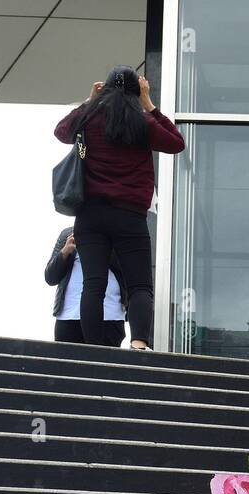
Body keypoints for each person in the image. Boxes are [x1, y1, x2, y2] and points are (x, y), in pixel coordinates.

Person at [54, 65, 185, 350]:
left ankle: (93, 348)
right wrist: (149, 104)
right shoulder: (143, 123)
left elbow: (61, 131)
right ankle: (138, 344)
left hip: (90, 216)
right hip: (129, 216)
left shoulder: (90, 118)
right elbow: (176, 143)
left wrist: (90, 101)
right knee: (139, 285)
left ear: (108, 89)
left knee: (93, 284)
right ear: (136, 92)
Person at [44, 227, 127, 346]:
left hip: (108, 316)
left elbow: (130, 271)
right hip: (69, 316)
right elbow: (50, 277)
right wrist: (65, 251)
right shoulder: (67, 233)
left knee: (104, 362)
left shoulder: (118, 232)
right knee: (67, 363)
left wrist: (102, 244)